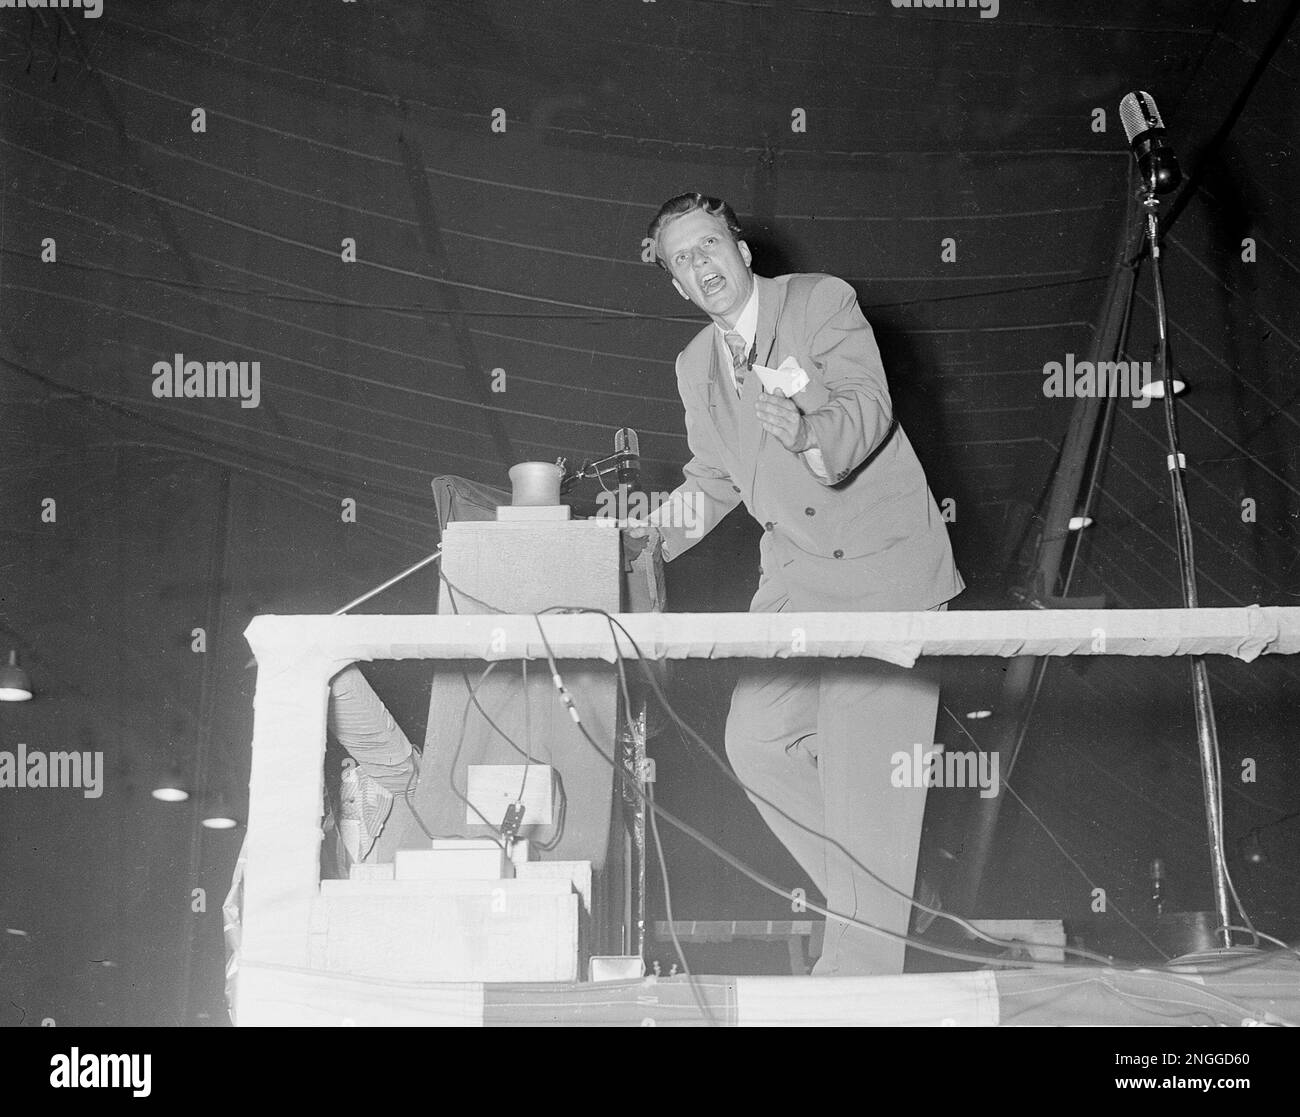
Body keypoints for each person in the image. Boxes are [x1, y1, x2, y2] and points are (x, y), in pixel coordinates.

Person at [629, 192, 964, 974]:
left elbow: (867, 405)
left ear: (741, 249)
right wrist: (635, 540)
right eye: (682, 259)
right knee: (755, 737)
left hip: (881, 578)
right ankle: (888, 900)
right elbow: (713, 481)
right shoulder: (693, 366)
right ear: (676, 284)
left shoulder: (819, 301)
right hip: (797, 588)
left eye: (709, 244)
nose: (700, 265)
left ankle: (861, 957)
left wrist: (810, 431)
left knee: (860, 772)